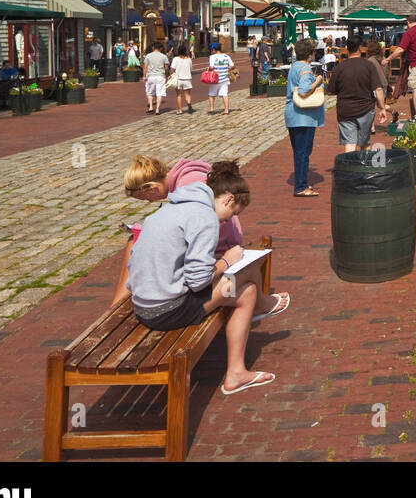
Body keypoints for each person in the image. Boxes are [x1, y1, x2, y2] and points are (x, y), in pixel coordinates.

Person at [126, 160, 277, 394]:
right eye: (231, 215)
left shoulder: (168, 209)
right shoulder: (204, 217)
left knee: (242, 285)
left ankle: (260, 308)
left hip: (142, 303)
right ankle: (236, 372)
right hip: (165, 310)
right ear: (227, 199)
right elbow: (198, 282)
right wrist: (226, 261)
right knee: (247, 290)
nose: (227, 221)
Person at [114, 155, 289, 319]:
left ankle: (116, 309)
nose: (150, 202)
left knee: (247, 284)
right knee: (246, 288)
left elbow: (203, 235)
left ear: (152, 188)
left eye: (146, 198)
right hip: (209, 254)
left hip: (218, 250)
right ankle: (117, 308)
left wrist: (224, 261)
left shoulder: (189, 185)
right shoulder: (187, 182)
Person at [326, 35, 389, 152]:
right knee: (365, 143)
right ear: (360, 48)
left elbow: (330, 90)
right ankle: (364, 168)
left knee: (350, 143)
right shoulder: (368, 66)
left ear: (347, 48)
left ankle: (350, 168)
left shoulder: (340, 67)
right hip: (365, 109)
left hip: (345, 110)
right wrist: (382, 108)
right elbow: (378, 89)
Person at [285, 38, 327, 196]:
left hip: (292, 115)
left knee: (298, 151)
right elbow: (303, 91)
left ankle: (301, 182)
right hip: (303, 116)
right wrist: (318, 81)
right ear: (310, 54)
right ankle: (301, 186)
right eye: (314, 52)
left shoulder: (294, 66)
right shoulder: (306, 70)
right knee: (303, 151)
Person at [206, 42, 235, 114]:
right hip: (225, 78)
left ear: (214, 49)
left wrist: (208, 69)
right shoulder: (226, 56)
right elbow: (232, 65)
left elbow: (211, 67)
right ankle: (226, 110)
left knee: (211, 93)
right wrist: (227, 68)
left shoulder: (213, 57)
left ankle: (212, 108)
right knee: (224, 94)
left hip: (215, 78)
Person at [142, 42, 169, 115]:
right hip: (160, 76)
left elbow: (145, 67)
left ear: (153, 48)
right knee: (159, 93)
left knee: (150, 92)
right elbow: (166, 68)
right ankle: (157, 109)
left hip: (150, 76)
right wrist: (166, 75)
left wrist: (144, 76)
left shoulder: (148, 56)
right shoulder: (164, 56)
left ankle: (151, 107)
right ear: (160, 48)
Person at [170, 45, 195, 114]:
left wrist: (170, 75)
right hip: (187, 78)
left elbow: (172, 69)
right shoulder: (189, 59)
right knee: (187, 94)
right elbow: (190, 68)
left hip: (179, 79)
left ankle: (179, 110)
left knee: (179, 95)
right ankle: (189, 104)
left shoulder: (175, 59)